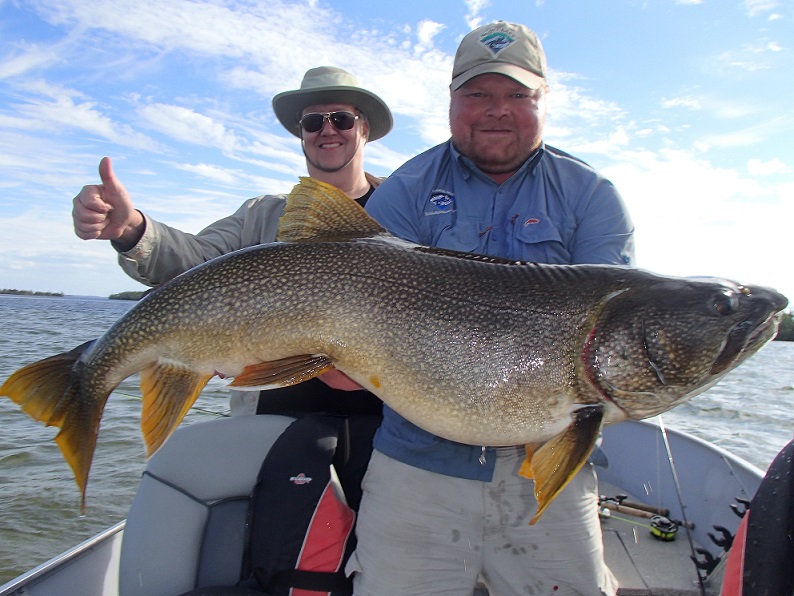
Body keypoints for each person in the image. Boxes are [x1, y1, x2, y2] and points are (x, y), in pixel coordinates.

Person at [344, 21, 634, 595]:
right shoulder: (405, 191)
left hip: (549, 470)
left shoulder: (591, 197)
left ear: (543, 101)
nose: (496, 110)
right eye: (478, 94)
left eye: (517, 95)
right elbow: (351, 306)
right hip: (415, 468)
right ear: (452, 101)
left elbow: (611, 335)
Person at [71, 65, 392, 410]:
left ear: (364, 128)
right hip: (272, 417)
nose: (327, 130)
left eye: (340, 119)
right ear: (301, 133)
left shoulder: (408, 208)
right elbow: (195, 263)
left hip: (391, 423)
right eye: (313, 122)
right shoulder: (259, 215)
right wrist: (131, 229)